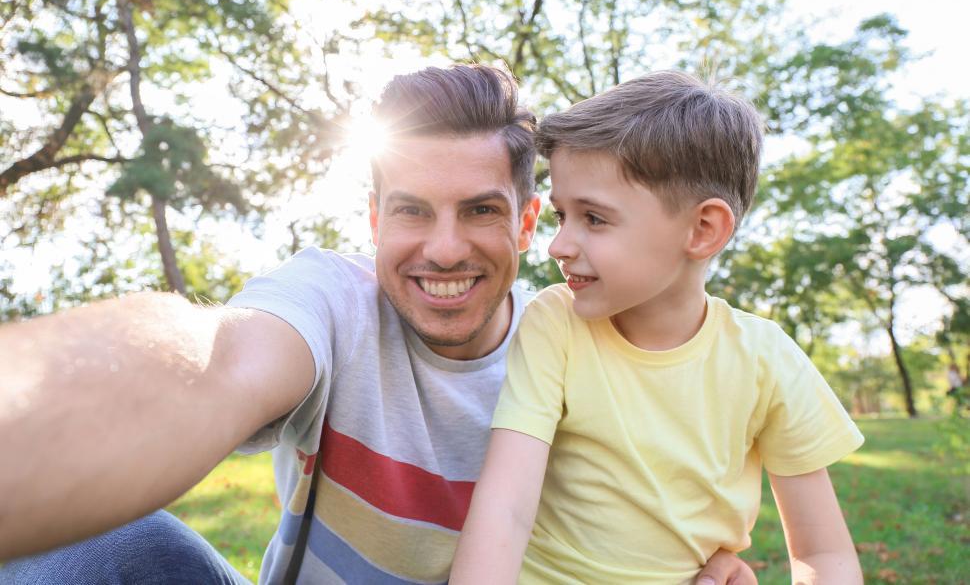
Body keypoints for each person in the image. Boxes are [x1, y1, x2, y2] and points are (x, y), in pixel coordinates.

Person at [0, 65, 754, 584]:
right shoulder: (332, 300)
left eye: (481, 210)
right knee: (121, 543)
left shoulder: (584, 350)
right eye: (412, 210)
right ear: (373, 219)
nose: (446, 248)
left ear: (528, 220)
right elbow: (217, 364)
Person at [450, 71, 866, 584]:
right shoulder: (555, 324)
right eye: (561, 215)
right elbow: (504, 511)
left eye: (594, 219)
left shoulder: (765, 360)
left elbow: (824, 556)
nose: (558, 245)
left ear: (703, 230)